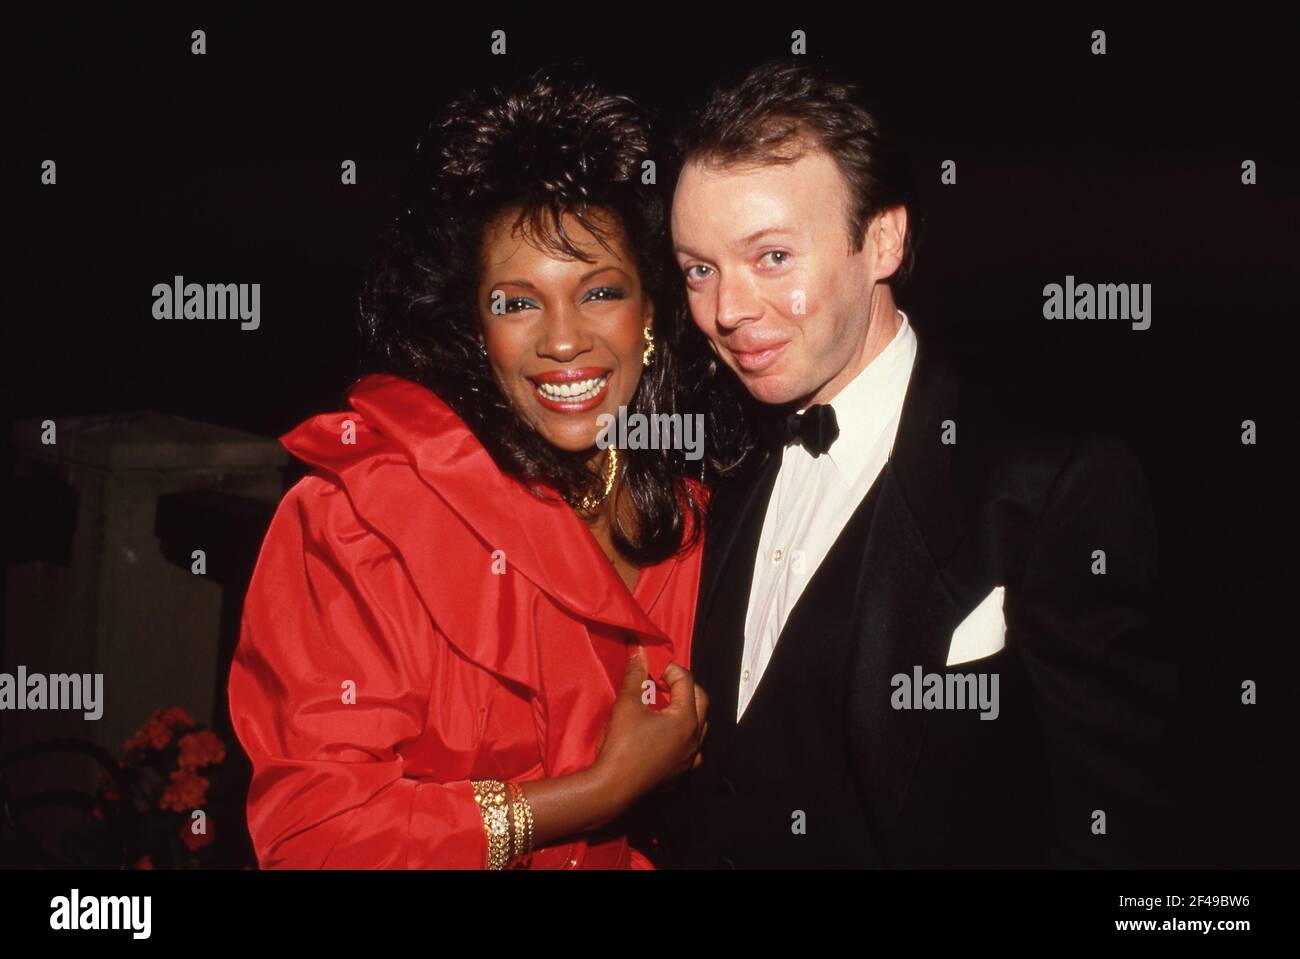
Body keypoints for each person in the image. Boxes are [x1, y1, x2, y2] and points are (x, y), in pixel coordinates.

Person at [645, 60, 1177, 867]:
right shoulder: (716, 464)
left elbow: (1123, 837)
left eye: (774, 257)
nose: (728, 309)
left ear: (882, 240)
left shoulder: (1049, 488)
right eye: (700, 269)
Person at [227, 69, 748, 869]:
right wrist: (598, 792)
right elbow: (316, 839)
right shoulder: (361, 519)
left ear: (651, 313)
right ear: (475, 329)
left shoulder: (705, 523)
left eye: (599, 291)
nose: (564, 339)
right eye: (517, 302)